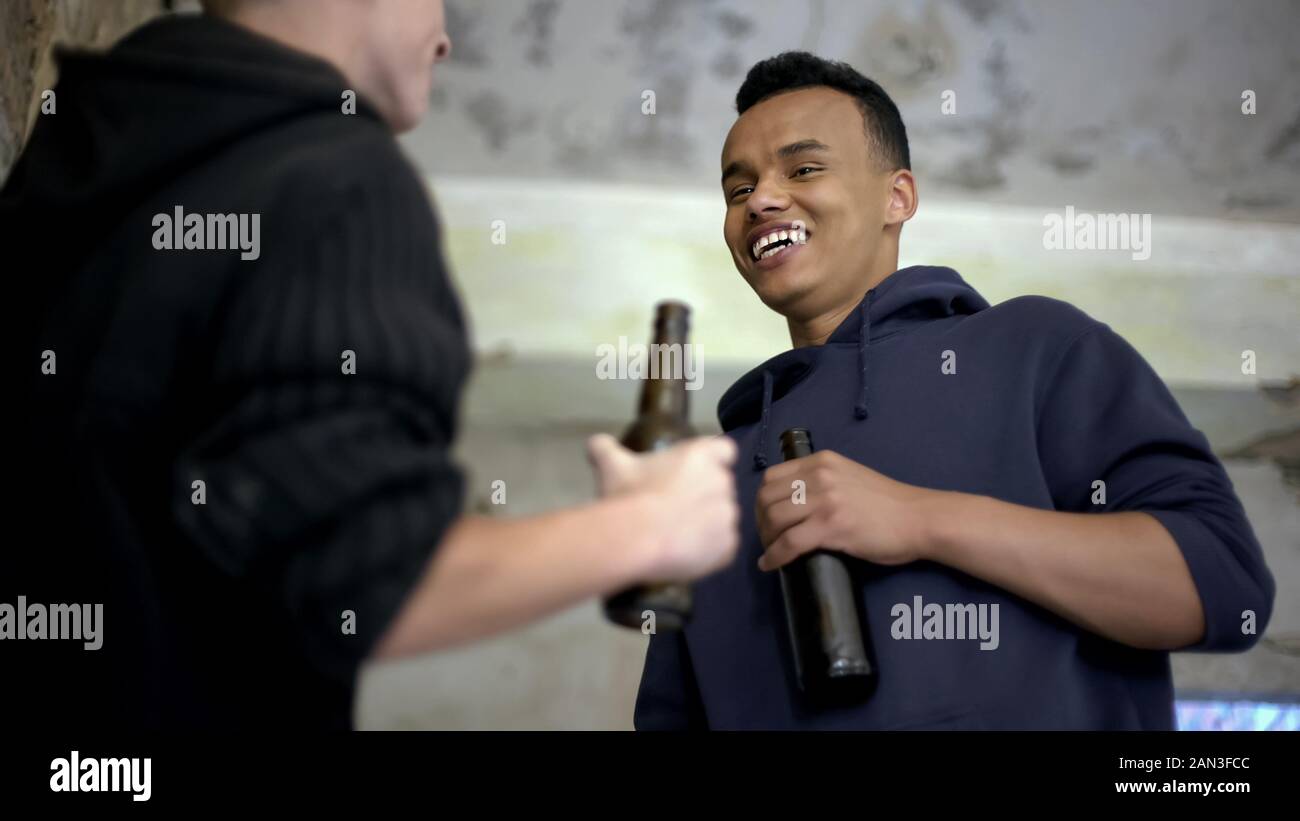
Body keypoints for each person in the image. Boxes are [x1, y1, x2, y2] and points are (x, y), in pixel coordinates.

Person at [0, 0, 739, 731]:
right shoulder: (342, 179)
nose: (446, 40)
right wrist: (650, 525)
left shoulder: (88, 145)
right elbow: (364, 575)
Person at [633, 51, 1276, 730]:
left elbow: (1224, 588)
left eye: (804, 168)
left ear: (897, 197)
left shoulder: (1035, 348)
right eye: (738, 190)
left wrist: (919, 518)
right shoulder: (704, 490)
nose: (761, 198)